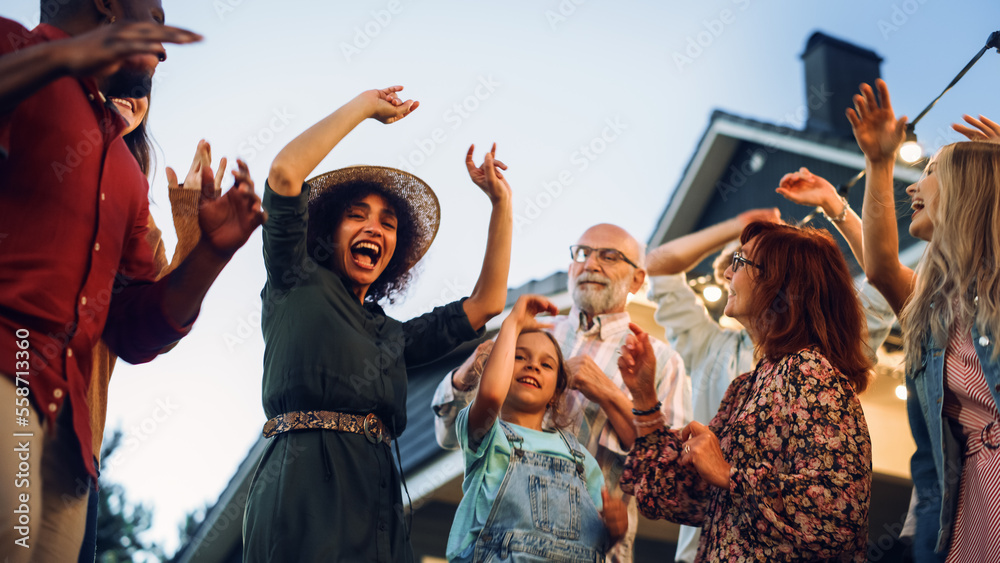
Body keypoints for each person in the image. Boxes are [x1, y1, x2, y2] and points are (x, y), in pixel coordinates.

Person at [0, 3, 264, 561]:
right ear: (108, 6)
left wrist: (210, 255)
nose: (165, 47)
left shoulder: (124, 174)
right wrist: (67, 56)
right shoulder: (15, 51)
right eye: (155, 16)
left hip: (71, 435)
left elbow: (131, 330)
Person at [242, 85, 512, 562]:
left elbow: (487, 302)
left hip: (379, 498)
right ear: (327, 230)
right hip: (302, 494)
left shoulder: (393, 335)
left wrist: (500, 205)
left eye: (387, 223)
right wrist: (365, 107)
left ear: (395, 249)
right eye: (356, 215)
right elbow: (285, 174)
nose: (374, 228)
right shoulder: (296, 278)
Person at [646, 197, 894, 561]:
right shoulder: (746, 385)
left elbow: (835, 516)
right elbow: (693, 498)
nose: (728, 274)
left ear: (781, 284)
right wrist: (643, 405)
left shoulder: (812, 374)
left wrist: (728, 474)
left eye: (740, 263)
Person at [433, 223, 690, 563]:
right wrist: (471, 369)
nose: (591, 264)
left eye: (609, 256)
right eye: (582, 253)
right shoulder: (529, 335)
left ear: (638, 280)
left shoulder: (661, 361)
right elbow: (450, 435)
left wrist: (609, 394)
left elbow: (670, 477)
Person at [848, 79, 1000, 561]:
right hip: (965, 508)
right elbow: (881, 267)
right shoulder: (935, 310)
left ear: (970, 187)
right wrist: (878, 163)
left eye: (932, 171)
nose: (914, 184)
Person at [77, 91, 225, 562]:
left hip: (80, 444)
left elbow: (148, 325)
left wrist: (195, 233)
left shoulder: (134, 210)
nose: (135, 91)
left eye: (146, 86)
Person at [446, 294, 628, 562]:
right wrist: (513, 323)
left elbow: (595, 541)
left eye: (546, 364)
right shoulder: (486, 435)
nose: (533, 365)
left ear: (557, 391)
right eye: (519, 357)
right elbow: (492, 394)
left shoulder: (581, 460)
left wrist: (616, 530)